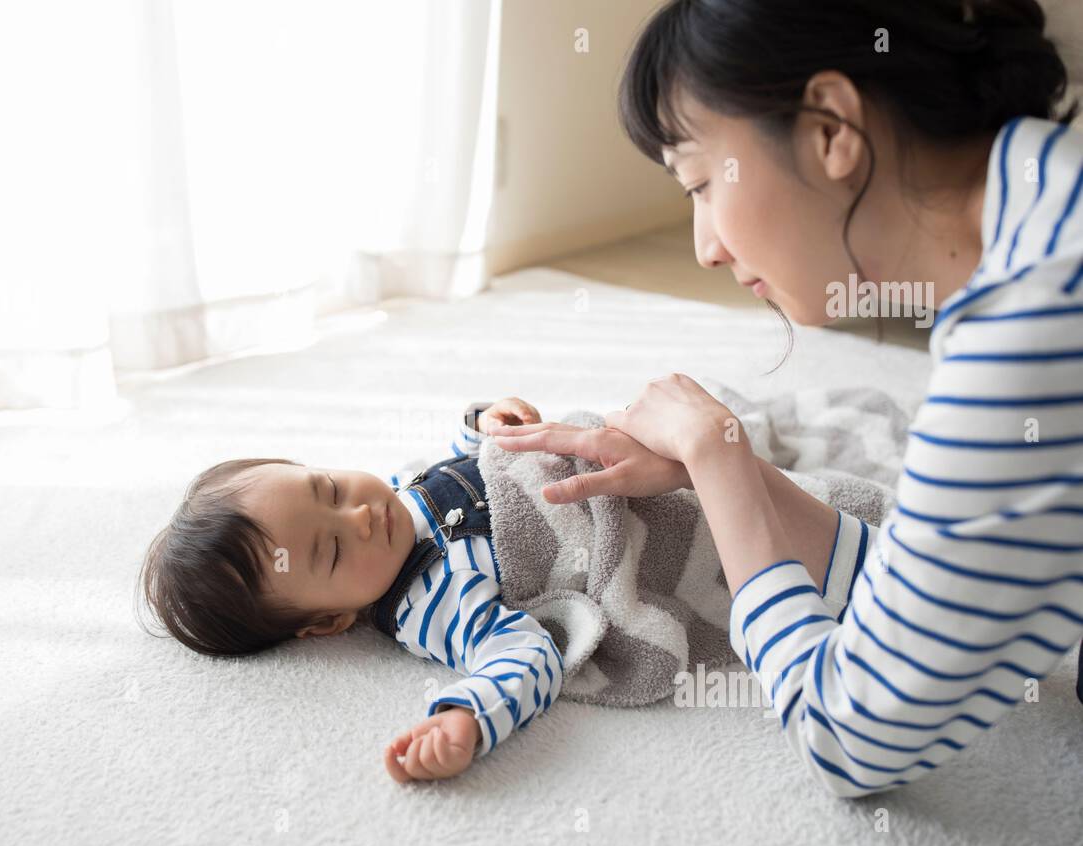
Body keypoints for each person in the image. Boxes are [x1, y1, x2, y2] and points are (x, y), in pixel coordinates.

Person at [492, 0, 1083, 797]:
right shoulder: (1049, 204)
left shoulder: (1029, 328)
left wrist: (717, 455)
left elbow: (852, 736)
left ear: (832, 128)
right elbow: (947, 599)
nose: (704, 247)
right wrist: (723, 468)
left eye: (702, 181)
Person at [137, 398, 566, 782]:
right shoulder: (433, 606)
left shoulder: (396, 492)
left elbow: (449, 468)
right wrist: (470, 714)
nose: (360, 515)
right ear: (329, 621)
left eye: (330, 488)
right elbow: (527, 653)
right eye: (334, 550)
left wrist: (481, 426)